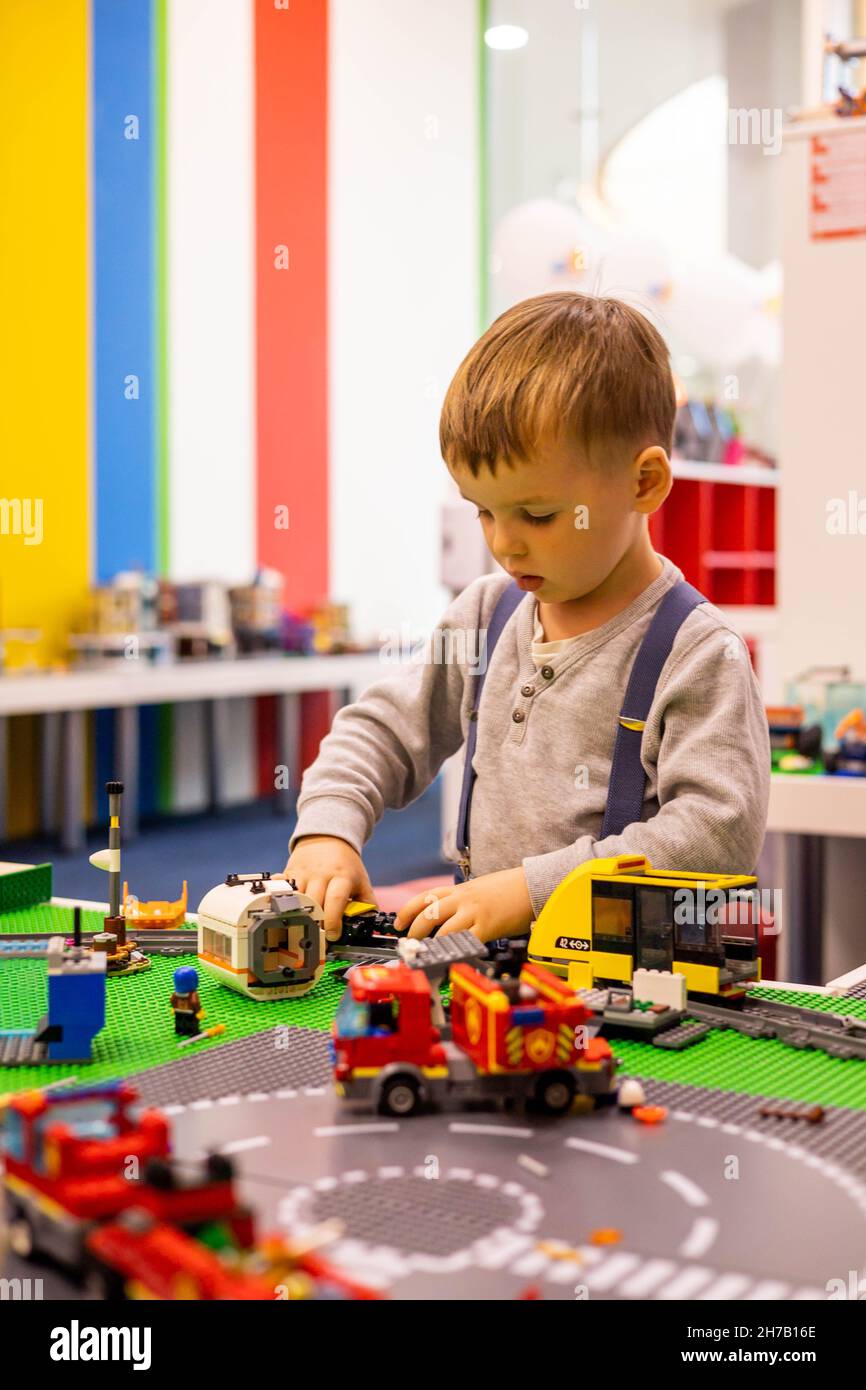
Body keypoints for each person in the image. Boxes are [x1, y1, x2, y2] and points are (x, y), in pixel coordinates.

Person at [284, 292, 769, 943]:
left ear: (645, 483)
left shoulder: (698, 653)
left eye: (537, 515)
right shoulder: (487, 615)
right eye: (483, 510)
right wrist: (326, 829)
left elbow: (716, 837)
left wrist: (532, 891)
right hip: (494, 981)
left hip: (633, 990)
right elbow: (382, 731)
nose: (504, 543)